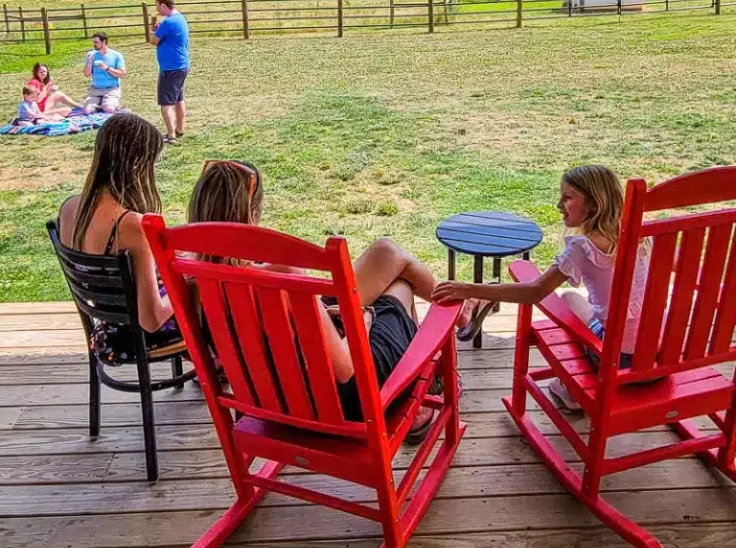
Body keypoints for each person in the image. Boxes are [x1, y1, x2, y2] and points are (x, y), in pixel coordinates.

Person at [187, 160, 466, 437]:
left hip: (268, 401)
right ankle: (416, 395)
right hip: (336, 406)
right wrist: (363, 320)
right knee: (400, 288)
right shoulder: (281, 276)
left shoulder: (188, 280)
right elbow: (344, 369)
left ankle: (462, 317)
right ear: (253, 215)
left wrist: (324, 316)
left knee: (386, 252)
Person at [433, 165, 652, 412]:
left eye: (568, 197)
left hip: (619, 362)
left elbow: (534, 292)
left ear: (594, 204)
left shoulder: (584, 247)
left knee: (567, 306)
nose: (559, 205)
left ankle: (570, 389)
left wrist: (469, 289)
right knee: (572, 298)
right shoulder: (645, 235)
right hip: (659, 355)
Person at [58, 113, 181, 364]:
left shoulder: (70, 209)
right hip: (131, 337)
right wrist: (187, 286)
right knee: (214, 302)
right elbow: (152, 319)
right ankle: (219, 376)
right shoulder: (130, 224)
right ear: (137, 164)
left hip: (104, 329)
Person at [149, 0, 189, 144]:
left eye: (158, 6)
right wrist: (160, 30)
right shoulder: (180, 18)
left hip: (170, 69)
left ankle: (171, 134)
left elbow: (153, 40)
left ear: (164, 6)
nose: (157, 10)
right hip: (181, 65)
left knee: (166, 103)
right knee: (179, 99)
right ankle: (180, 129)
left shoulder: (168, 22)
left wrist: (154, 31)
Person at [82, 32, 126, 114]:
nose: (94, 45)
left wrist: (107, 68)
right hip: (95, 89)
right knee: (86, 111)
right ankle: (101, 103)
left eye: (96, 42)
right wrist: (89, 63)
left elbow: (122, 73)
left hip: (111, 89)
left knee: (109, 109)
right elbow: (86, 74)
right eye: (93, 42)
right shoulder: (91, 55)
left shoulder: (116, 55)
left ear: (104, 42)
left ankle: (111, 105)